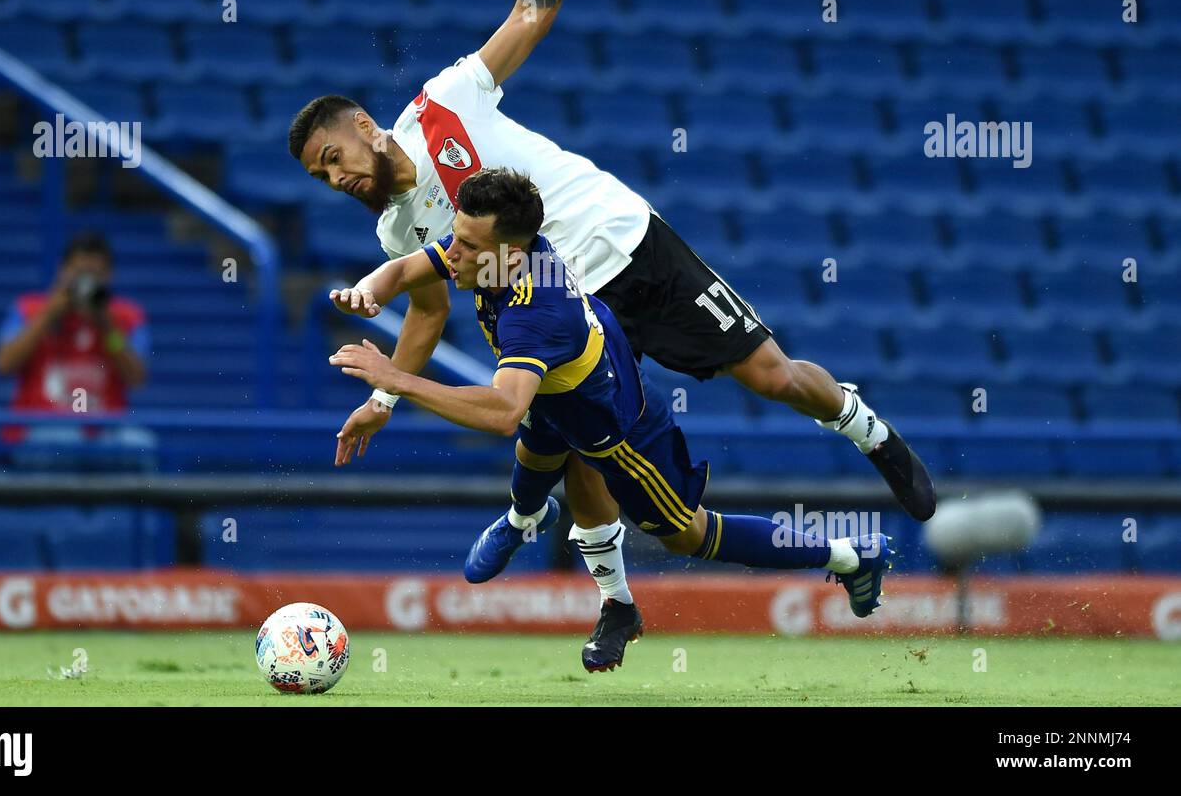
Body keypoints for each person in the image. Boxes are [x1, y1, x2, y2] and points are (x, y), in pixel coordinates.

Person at [294, 0, 934, 668]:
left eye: (334, 158)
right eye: (321, 177)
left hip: (622, 245)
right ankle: (613, 600)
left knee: (770, 375)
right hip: (564, 311)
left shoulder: (445, 102)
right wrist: (381, 403)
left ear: (367, 131)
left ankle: (865, 428)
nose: (336, 179)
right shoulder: (395, 232)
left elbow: (529, 16)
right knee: (576, 429)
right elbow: (423, 311)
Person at [330, 169, 894, 671]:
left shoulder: (534, 313)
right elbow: (407, 266)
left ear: (512, 253)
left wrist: (396, 380)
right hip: (562, 378)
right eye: (458, 237)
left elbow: (503, 412)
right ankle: (530, 521)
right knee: (538, 445)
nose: (451, 254)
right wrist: (367, 292)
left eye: (466, 246)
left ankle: (848, 556)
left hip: (613, 423)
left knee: (686, 533)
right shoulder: (489, 248)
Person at [0, 232, 148, 431]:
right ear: (62, 270)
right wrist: (47, 317)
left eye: (95, 276)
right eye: (80, 274)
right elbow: (3, 365)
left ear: (109, 276)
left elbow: (136, 378)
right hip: (41, 427)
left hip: (105, 430)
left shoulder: (127, 316)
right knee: (63, 437)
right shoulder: (28, 309)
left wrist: (108, 328)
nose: (86, 284)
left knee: (139, 445)